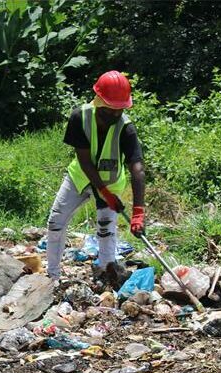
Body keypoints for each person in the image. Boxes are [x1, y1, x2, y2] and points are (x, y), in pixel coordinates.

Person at [46, 70, 146, 281]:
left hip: (111, 183)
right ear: (97, 101)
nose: (113, 116)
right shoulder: (79, 117)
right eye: (108, 111)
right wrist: (102, 191)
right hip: (79, 178)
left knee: (106, 231)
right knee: (56, 222)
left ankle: (106, 277)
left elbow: (137, 169)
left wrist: (138, 211)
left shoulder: (126, 129)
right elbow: (84, 160)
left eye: (118, 111)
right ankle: (52, 276)